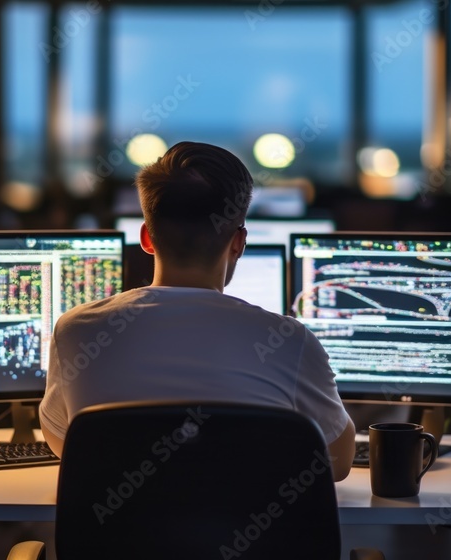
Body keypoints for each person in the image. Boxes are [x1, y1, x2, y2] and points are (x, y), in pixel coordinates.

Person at [39, 141, 355, 480]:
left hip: (116, 531)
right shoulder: (289, 341)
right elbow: (337, 462)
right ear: (238, 242)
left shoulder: (76, 331)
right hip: (249, 531)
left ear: (146, 238)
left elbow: (68, 444)